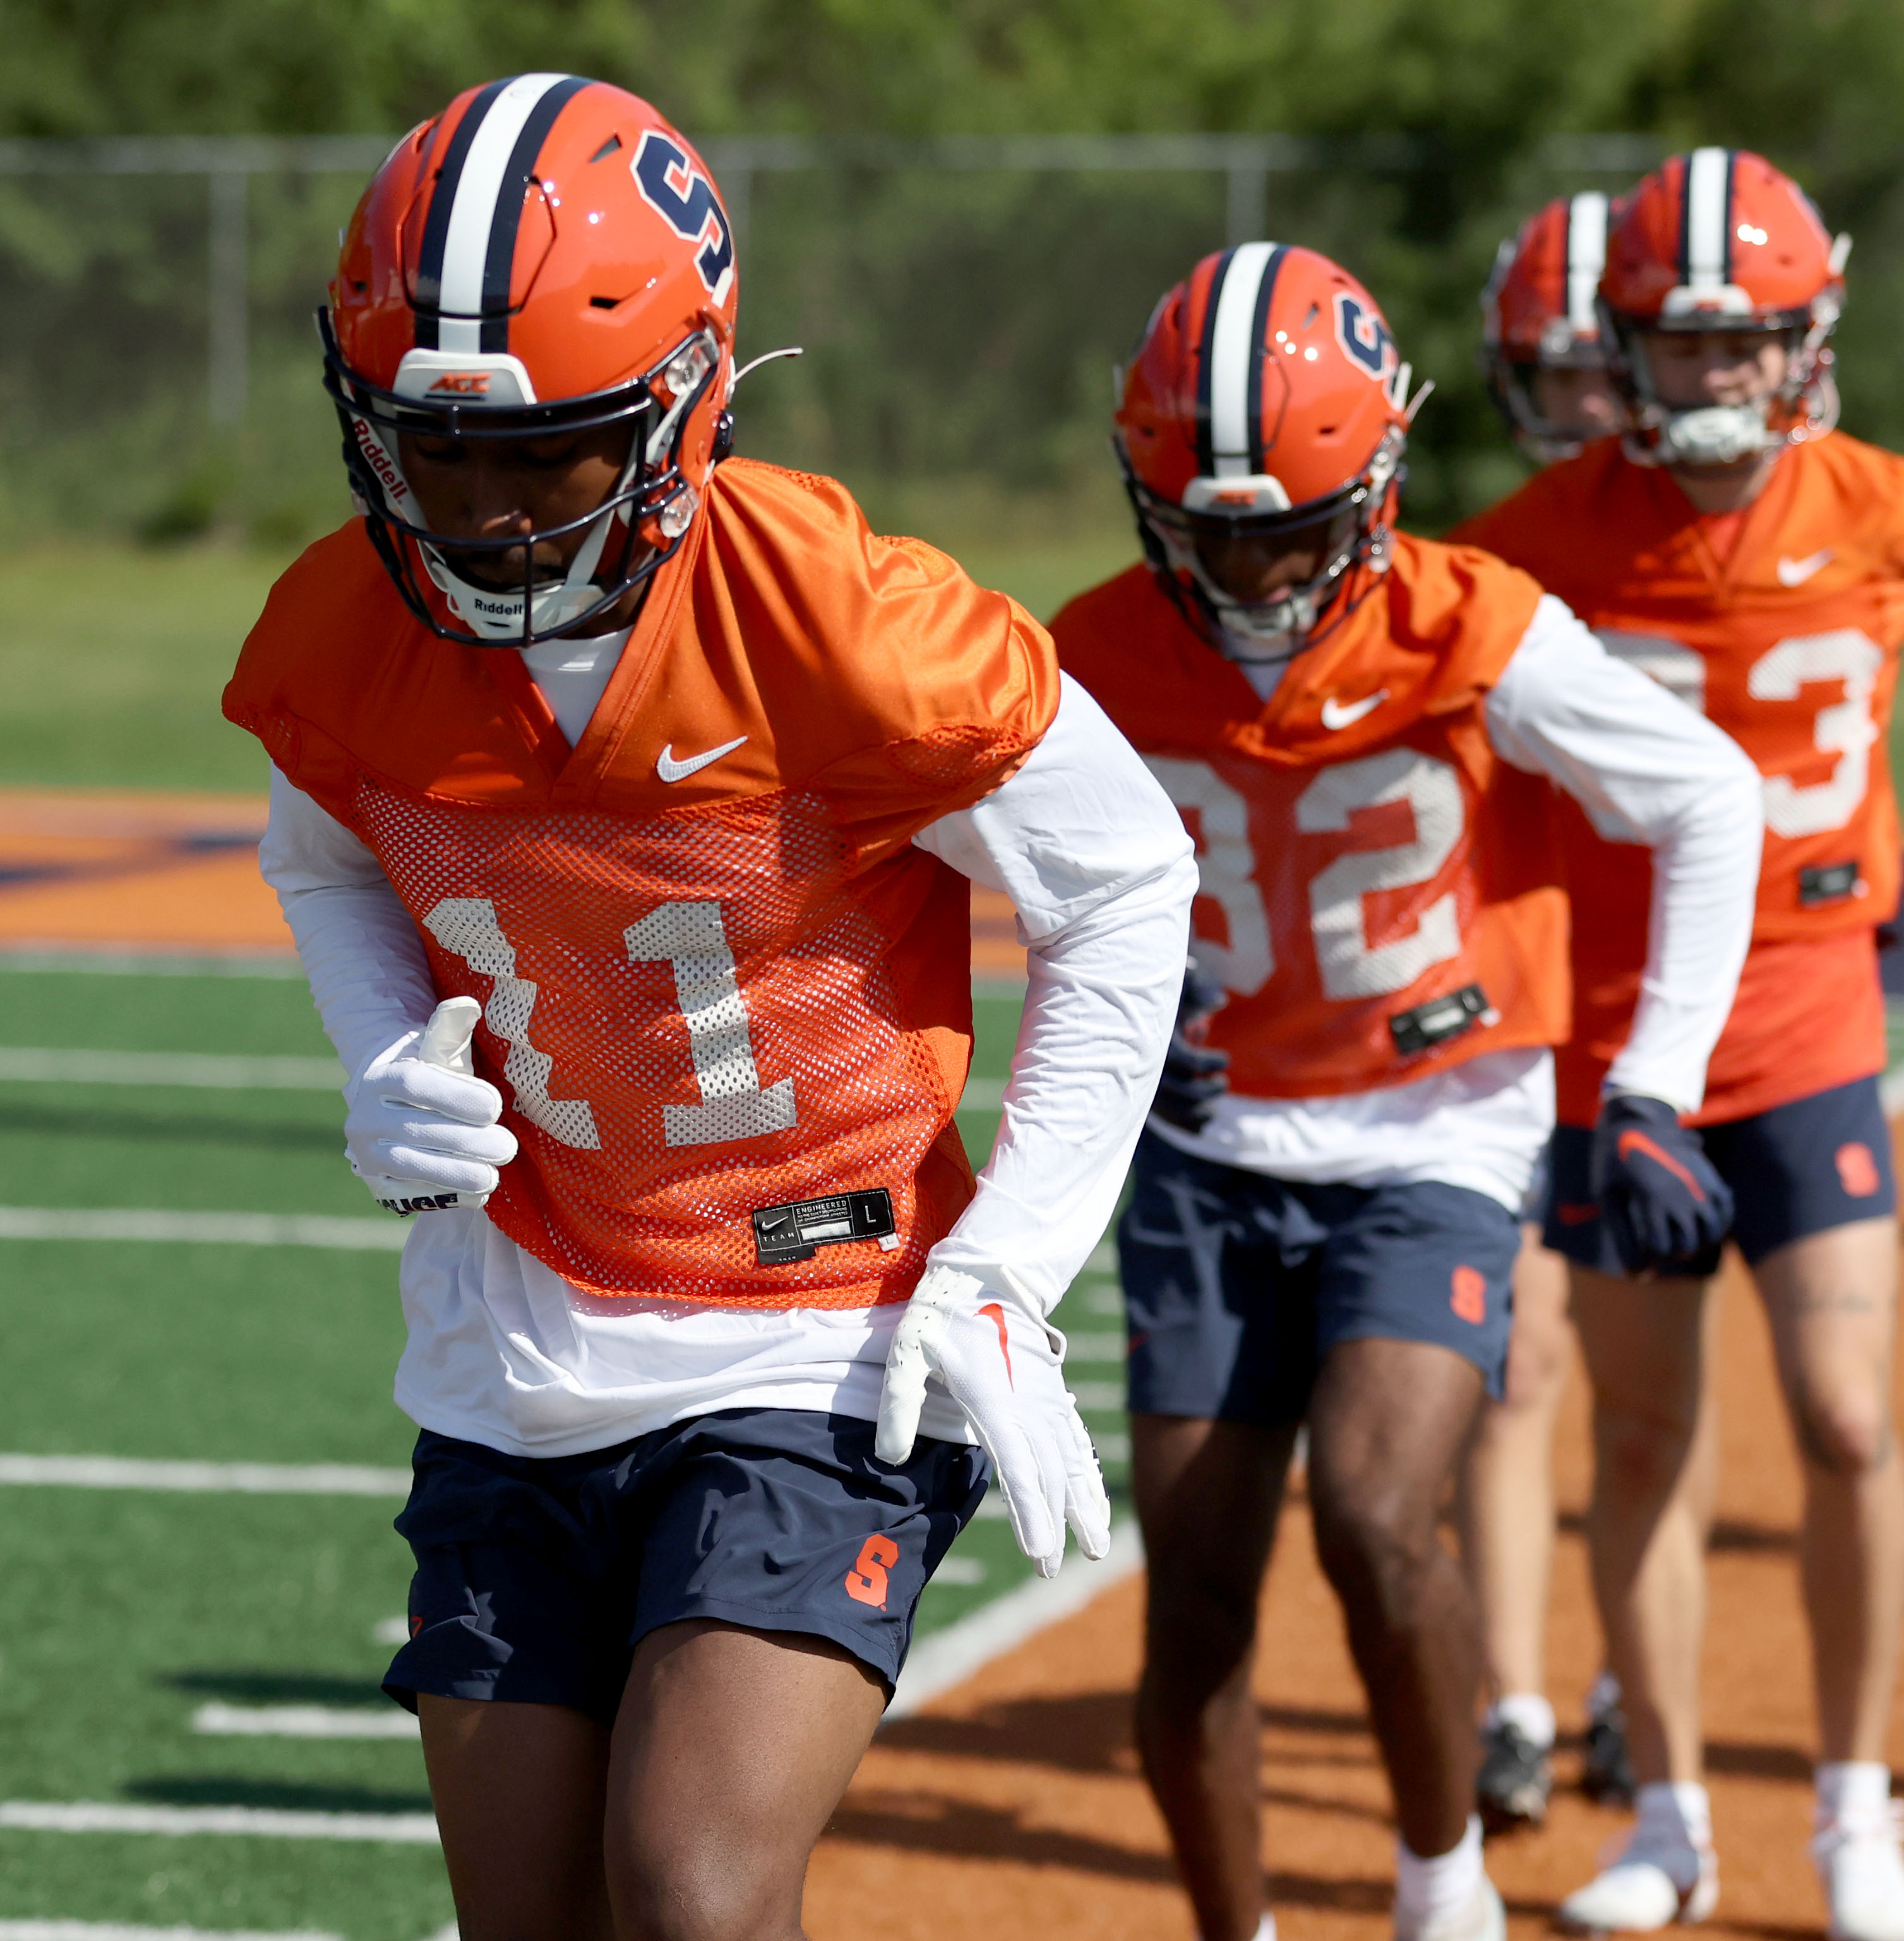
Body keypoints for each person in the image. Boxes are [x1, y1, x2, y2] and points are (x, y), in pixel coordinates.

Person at [219, 76, 1182, 1937]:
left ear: (686, 403)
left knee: (697, 1892)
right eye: (436, 451)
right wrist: (383, 1059)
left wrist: (1010, 1263)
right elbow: (328, 860)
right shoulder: (341, 624)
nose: (486, 515)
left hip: (823, 1326)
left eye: (550, 454)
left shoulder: (841, 619)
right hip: (519, 1330)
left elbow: (1127, 881)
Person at [1054, 243, 1764, 1941]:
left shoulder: (1473, 623)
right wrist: (1110, 1019)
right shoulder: (1087, 651)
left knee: (1378, 1516)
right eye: (1211, 530)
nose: (1249, 571)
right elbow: (954, 859)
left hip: (1433, 1126)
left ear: (1375, 486)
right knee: (1194, 1600)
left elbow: (1710, 798)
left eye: (1288, 530)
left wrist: (1652, 1085)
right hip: (1211, 1145)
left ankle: (1444, 1890)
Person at [1456, 148, 1904, 1941]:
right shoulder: (1538, 535)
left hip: (1805, 1015)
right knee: (1642, 1436)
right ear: (1624, 345)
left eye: (1748, 340)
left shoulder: (1876, 501)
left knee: (1846, 1415)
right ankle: (1668, 1815)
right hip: (1613, 1032)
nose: (1717, 373)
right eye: (1682, 340)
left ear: (1807, 341)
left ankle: (1855, 1809)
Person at [1466, 188, 1648, 1830]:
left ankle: (1628, 1682)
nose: (1583, 399)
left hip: (1671, 1014)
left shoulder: (1709, 530)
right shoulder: (1503, 551)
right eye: (1559, 371)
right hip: (1530, 1001)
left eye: (1604, 368)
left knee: (1647, 1382)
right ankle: (1513, 1698)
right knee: (1517, 1362)